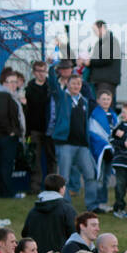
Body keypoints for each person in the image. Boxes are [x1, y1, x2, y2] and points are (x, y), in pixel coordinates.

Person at [51, 70, 97, 208]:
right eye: (73, 83)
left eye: (79, 83)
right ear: (67, 84)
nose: (76, 86)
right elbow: (53, 85)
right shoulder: (62, 98)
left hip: (82, 145)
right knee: (64, 177)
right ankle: (65, 205)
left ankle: (92, 205)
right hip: (66, 144)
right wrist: (53, 67)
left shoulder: (85, 101)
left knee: (90, 175)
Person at [23, 173, 77, 253]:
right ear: (62, 189)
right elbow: (75, 235)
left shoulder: (33, 211)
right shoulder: (67, 209)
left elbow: (25, 234)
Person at [0, 69, 27, 199]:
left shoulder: (11, 95)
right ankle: (6, 192)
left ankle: (1, 191)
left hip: (7, 136)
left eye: (15, 82)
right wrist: (11, 132)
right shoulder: (3, 95)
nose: (13, 84)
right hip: (5, 137)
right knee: (6, 165)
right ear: (4, 83)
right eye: (10, 82)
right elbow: (1, 116)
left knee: (5, 165)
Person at [24, 60, 54, 190]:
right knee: (35, 159)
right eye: (39, 71)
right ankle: (35, 186)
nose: (42, 74)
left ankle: (53, 186)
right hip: (34, 129)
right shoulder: (29, 88)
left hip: (49, 128)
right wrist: (27, 131)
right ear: (34, 72)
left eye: (44, 71)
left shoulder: (51, 86)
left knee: (51, 159)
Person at [87, 88, 117, 213]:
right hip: (100, 151)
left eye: (108, 99)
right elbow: (93, 133)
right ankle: (96, 202)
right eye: (103, 99)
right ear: (98, 100)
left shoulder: (114, 115)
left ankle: (103, 201)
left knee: (106, 178)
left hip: (111, 152)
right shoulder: (95, 115)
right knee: (98, 177)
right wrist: (105, 145)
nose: (106, 101)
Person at [86, 20, 122, 99]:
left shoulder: (110, 41)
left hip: (106, 81)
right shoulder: (103, 42)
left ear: (102, 28)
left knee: (104, 105)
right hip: (102, 80)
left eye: (95, 30)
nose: (95, 33)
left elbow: (106, 59)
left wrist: (90, 62)